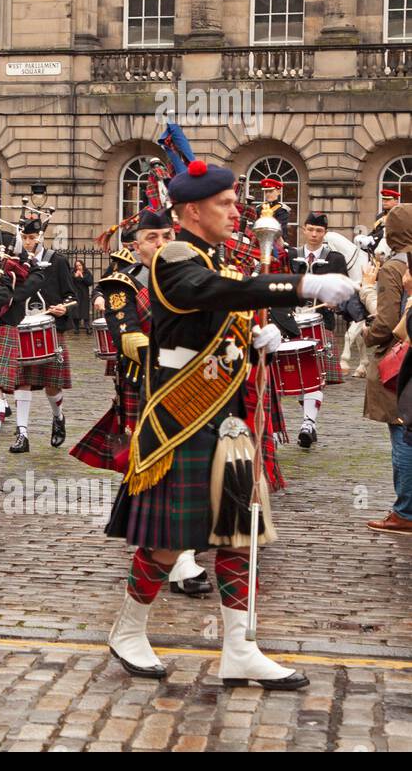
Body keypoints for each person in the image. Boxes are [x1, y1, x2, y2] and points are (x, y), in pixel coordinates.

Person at [103, 160, 355, 689]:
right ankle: (128, 631)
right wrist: (302, 284)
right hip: (181, 416)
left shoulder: (214, 256)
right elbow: (212, 294)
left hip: (224, 415)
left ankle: (239, 648)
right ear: (192, 209)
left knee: (241, 535)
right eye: (225, 203)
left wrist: (254, 339)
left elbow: (223, 310)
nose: (236, 210)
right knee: (170, 542)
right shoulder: (175, 257)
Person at [71, 210, 213, 597]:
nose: (162, 243)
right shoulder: (122, 283)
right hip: (147, 384)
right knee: (154, 466)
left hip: (194, 385)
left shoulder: (190, 275)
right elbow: (128, 337)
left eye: (168, 234)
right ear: (135, 245)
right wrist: (176, 359)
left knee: (182, 470)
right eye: (153, 237)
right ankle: (177, 558)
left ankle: (172, 549)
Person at [0, 218, 76, 453]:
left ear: (40, 237)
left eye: (32, 237)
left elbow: (71, 295)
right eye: (24, 238)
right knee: (21, 380)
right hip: (21, 326)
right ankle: (22, 433)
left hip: (51, 328)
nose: (28, 242)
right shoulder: (13, 262)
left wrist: (64, 307)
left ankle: (58, 417)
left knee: (52, 384)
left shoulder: (57, 261)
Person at [362, 204, 412, 535]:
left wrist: (367, 333)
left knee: (403, 433)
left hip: (403, 361)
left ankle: (405, 511)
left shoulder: (395, 266)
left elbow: (387, 321)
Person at [287, 211, 348, 448]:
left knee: (315, 376)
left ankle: (308, 423)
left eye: (319, 231)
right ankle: (309, 420)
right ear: (303, 229)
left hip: (322, 323)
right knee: (300, 375)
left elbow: (343, 288)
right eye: (310, 229)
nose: (314, 234)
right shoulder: (292, 255)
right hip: (292, 321)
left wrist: (336, 299)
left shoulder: (335, 258)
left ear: (325, 233)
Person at [70, 258, 93, 332]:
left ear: (82, 265)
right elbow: (69, 282)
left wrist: (82, 277)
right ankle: (76, 328)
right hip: (76, 294)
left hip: (84, 294)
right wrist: (74, 277)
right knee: (76, 310)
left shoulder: (87, 272)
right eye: (77, 266)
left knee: (85, 310)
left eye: (80, 265)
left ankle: (87, 327)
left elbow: (90, 282)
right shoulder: (72, 272)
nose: (78, 267)